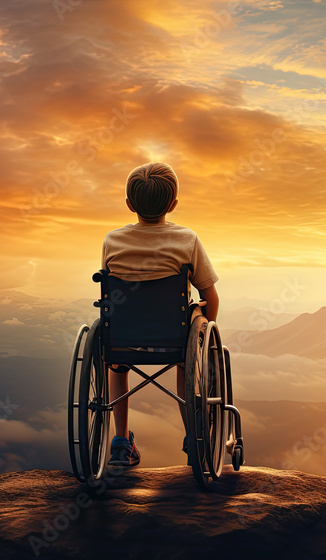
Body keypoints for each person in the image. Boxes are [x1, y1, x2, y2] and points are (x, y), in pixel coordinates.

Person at [100, 162, 220, 467]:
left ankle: (120, 442)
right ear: (174, 204)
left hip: (123, 337)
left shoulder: (112, 240)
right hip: (175, 336)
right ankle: (194, 437)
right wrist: (205, 336)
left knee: (117, 364)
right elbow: (210, 296)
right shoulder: (187, 240)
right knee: (187, 355)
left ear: (129, 205)